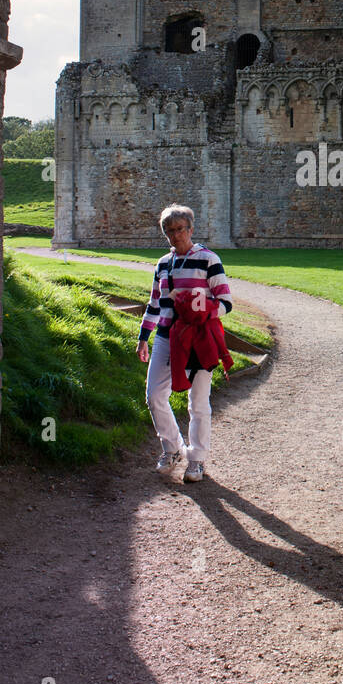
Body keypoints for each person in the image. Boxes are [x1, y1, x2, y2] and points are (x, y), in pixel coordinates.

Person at [137, 204, 232, 483]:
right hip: (167, 336)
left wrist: (195, 304)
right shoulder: (163, 264)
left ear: (190, 229)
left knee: (198, 401)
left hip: (200, 337)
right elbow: (155, 304)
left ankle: (197, 459)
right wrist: (144, 337)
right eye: (169, 231)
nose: (175, 235)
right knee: (154, 395)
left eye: (180, 229)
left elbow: (225, 303)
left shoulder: (208, 259)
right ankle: (173, 448)